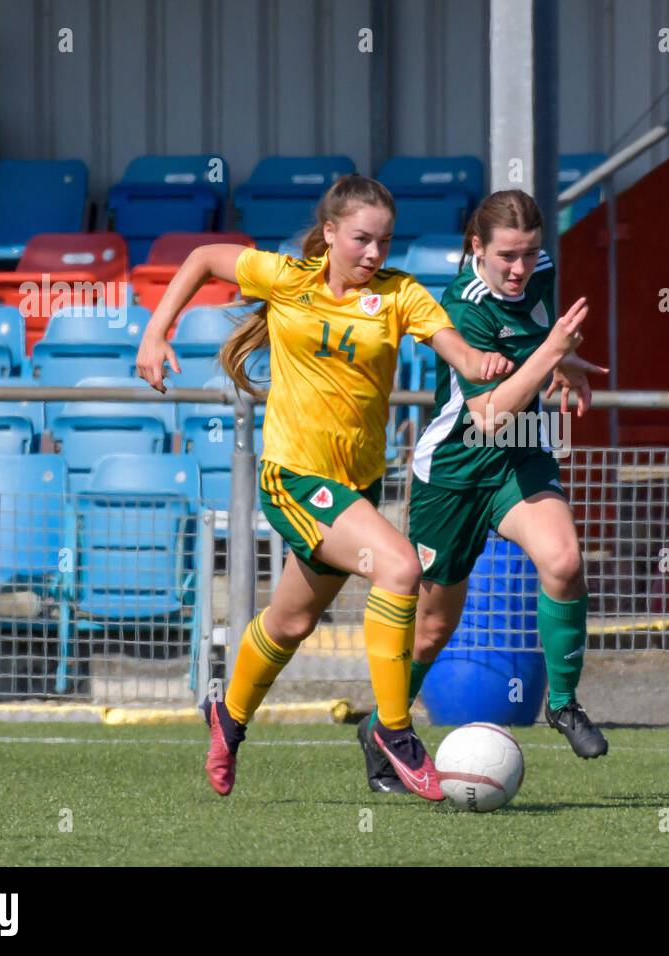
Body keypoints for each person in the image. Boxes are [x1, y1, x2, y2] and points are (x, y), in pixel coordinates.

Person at [135, 174, 519, 802]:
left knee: (290, 622)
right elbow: (204, 259)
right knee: (399, 566)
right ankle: (393, 731)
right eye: (363, 240)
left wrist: (500, 364)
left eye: (385, 242)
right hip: (292, 477)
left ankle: (227, 717)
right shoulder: (288, 277)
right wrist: (156, 333)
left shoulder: (401, 297)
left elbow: (465, 357)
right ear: (332, 233)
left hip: (354, 488)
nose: (374, 254)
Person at [354, 189, 609, 794]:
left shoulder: (540, 273)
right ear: (477, 249)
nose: (520, 269)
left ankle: (564, 704)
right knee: (434, 628)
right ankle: (382, 730)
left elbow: (538, 344)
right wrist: (553, 353)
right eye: (506, 258)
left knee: (564, 560)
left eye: (529, 253)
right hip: (455, 471)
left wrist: (563, 364)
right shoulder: (461, 307)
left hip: (520, 455)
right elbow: (490, 415)